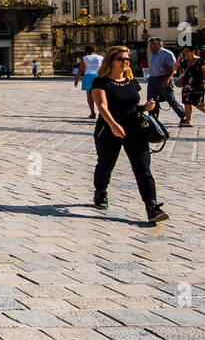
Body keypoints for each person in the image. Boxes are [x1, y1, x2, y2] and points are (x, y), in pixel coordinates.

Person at [89, 44, 167, 223]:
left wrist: (145, 107)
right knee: (106, 165)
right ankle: (101, 192)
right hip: (108, 130)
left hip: (134, 129)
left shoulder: (132, 81)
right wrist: (113, 124)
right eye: (121, 59)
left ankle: (152, 206)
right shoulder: (100, 82)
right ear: (111, 61)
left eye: (127, 59)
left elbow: (134, 106)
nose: (125, 62)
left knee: (143, 168)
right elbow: (102, 107)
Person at [143, 37, 185, 124]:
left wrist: (167, 79)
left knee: (170, 99)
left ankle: (183, 116)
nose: (150, 47)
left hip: (164, 79)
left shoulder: (167, 54)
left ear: (159, 45)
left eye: (152, 45)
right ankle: (153, 119)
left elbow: (172, 68)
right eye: (149, 45)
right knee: (151, 100)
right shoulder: (152, 54)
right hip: (152, 80)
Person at [178, 46, 205, 127]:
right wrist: (178, 60)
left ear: (193, 51)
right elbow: (175, 68)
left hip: (198, 85)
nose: (185, 53)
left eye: (186, 51)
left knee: (198, 103)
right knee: (187, 103)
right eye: (184, 51)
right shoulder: (184, 61)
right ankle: (189, 121)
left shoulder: (201, 61)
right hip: (187, 85)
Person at [75, 45, 103, 118]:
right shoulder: (100, 57)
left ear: (85, 51)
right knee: (101, 95)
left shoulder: (85, 58)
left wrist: (76, 79)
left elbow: (81, 69)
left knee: (89, 95)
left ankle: (93, 113)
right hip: (99, 76)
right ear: (94, 50)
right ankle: (102, 112)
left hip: (88, 76)